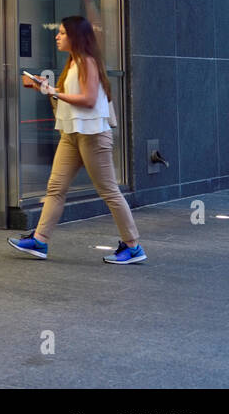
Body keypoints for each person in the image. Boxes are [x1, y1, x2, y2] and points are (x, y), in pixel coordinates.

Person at [11, 16, 145, 263]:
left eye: (62, 33)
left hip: (93, 135)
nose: (57, 36)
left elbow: (89, 100)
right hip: (71, 133)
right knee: (55, 188)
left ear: (76, 36)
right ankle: (40, 240)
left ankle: (133, 246)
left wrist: (53, 92)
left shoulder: (87, 62)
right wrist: (45, 88)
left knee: (108, 191)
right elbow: (71, 97)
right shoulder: (73, 62)